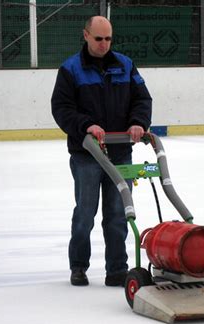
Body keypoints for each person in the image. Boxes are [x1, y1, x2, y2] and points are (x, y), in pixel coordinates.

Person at [51, 16, 152, 287]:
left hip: (120, 153)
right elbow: (61, 109)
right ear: (85, 35)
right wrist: (86, 125)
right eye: (98, 38)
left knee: (119, 213)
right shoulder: (70, 69)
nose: (104, 44)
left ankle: (117, 269)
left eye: (108, 38)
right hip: (87, 155)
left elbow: (142, 98)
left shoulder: (125, 65)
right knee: (85, 213)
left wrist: (138, 123)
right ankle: (78, 267)